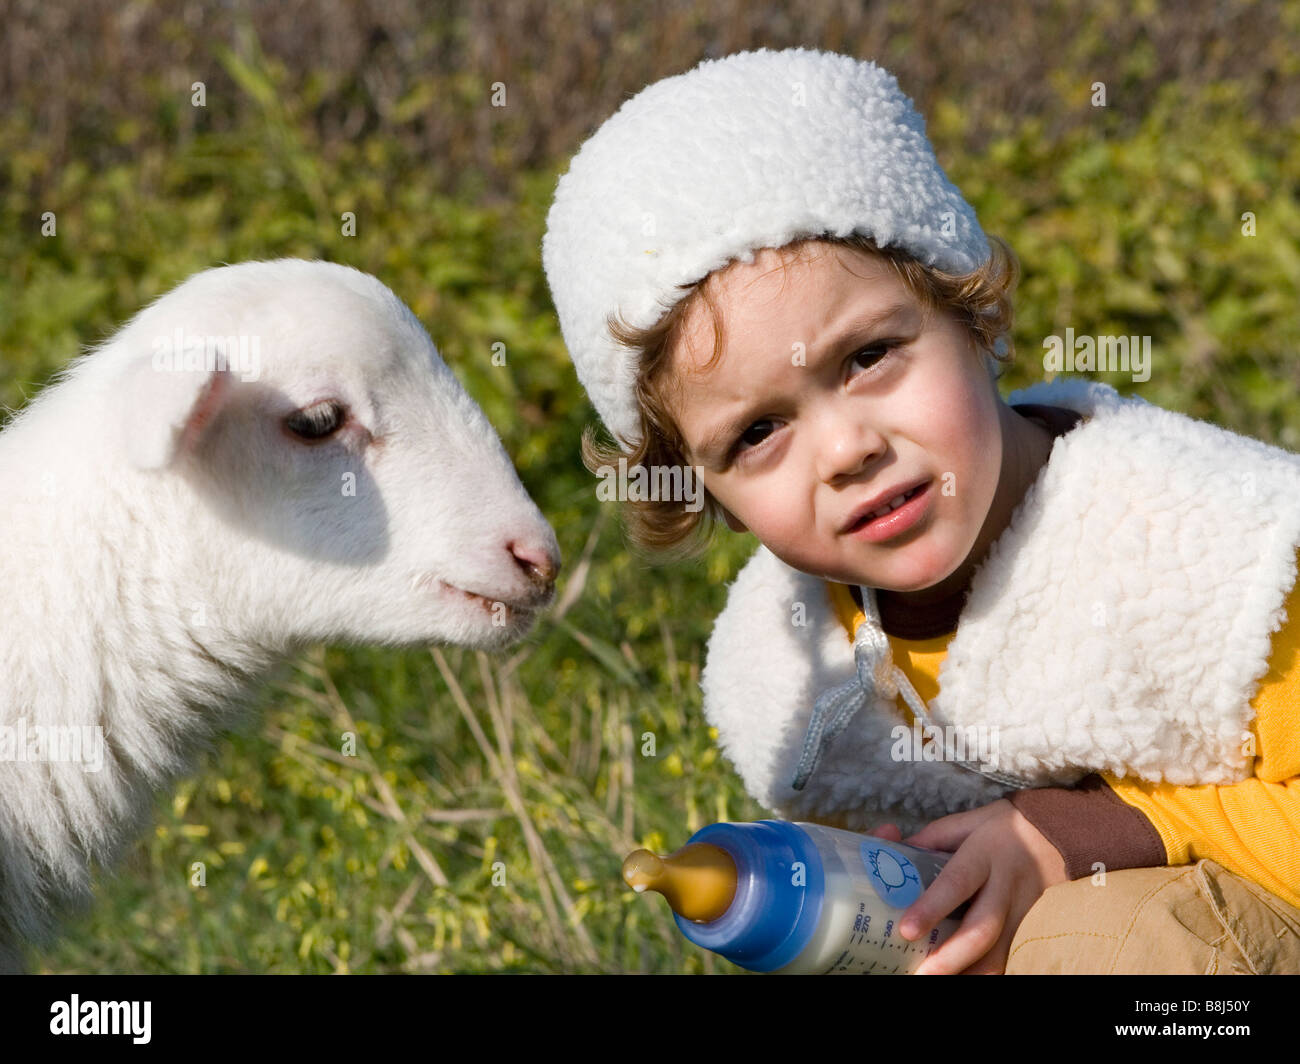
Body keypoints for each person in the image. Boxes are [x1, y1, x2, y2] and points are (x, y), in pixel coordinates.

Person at [541, 47, 1300, 974]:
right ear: (711, 499)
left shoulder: (1209, 547)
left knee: (1103, 945)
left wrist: (1114, 827)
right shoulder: (795, 680)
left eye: (866, 358)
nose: (847, 449)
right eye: (757, 434)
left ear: (969, 312)